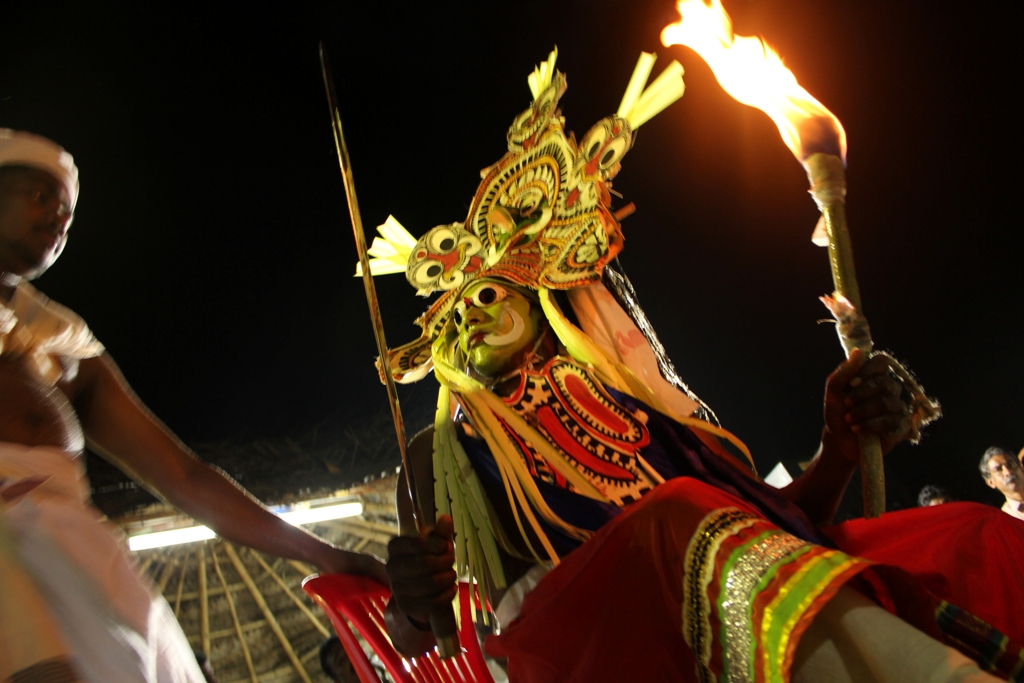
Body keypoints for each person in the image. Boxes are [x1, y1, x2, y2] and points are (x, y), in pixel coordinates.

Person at [364, 52, 1023, 681]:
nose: (473, 315)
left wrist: (838, 451)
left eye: (491, 294)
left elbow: (767, 530)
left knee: (971, 535)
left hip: (722, 581)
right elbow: (415, 635)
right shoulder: (436, 453)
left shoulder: (619, 392)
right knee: (679, 520)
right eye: (458, 311)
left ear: (538, 306)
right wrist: (413, 597)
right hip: (596, 652)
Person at [0, 129, 386, 682]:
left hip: (75, 552)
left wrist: (323, 553)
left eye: (66, 212)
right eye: (40, 196)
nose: (59, 219)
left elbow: (183, 474)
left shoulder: (64, 345)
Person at [980, 446, 1024, 522]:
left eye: (1011, 464)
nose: (1008, 472)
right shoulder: (1005, 520)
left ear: (1021, 468)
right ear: (991, 483)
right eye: (998, 469)